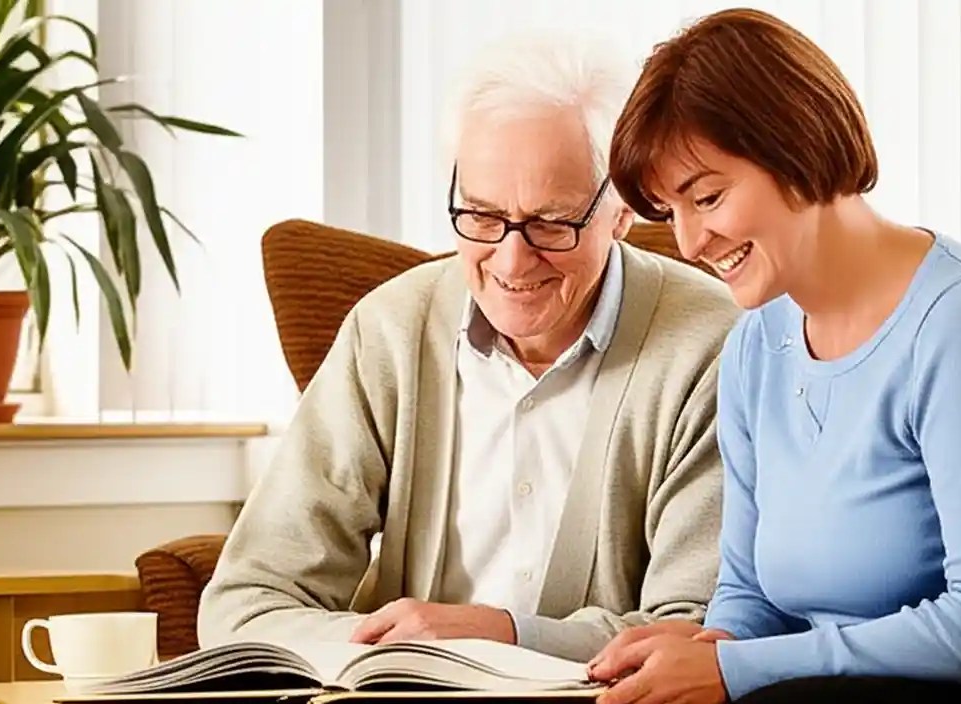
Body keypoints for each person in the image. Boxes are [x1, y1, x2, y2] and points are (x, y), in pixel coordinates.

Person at [588, 8, 961, 704]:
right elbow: (750, 591)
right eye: (669, 210)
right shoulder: (755, 346)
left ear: (796, 148)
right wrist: (706, 655)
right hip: (856, 685)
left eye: (707, 198)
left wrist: (739, 671)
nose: (688, 242)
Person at [197, 31, 741, 662]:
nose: (511, 261)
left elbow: (696, 633)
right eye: (481, 216)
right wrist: (398, 650)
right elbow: (245, 602)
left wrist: (502, 637)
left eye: (551, 223)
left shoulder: (712, 349)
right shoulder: (390, 331)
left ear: (621, 210)